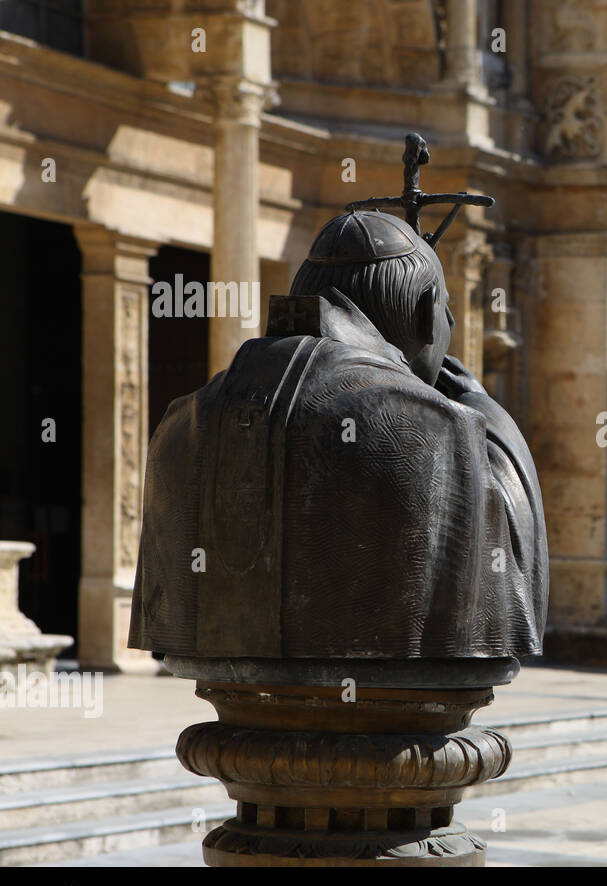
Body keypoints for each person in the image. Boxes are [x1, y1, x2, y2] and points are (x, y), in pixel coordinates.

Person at [128, 210, 547, 661]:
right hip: (396, 720)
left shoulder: (183, 420)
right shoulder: (439, 427)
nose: (449, 320)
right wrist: (486, 412)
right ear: (427, 312)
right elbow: (511, 612)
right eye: (446, 306)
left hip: (231, 714)